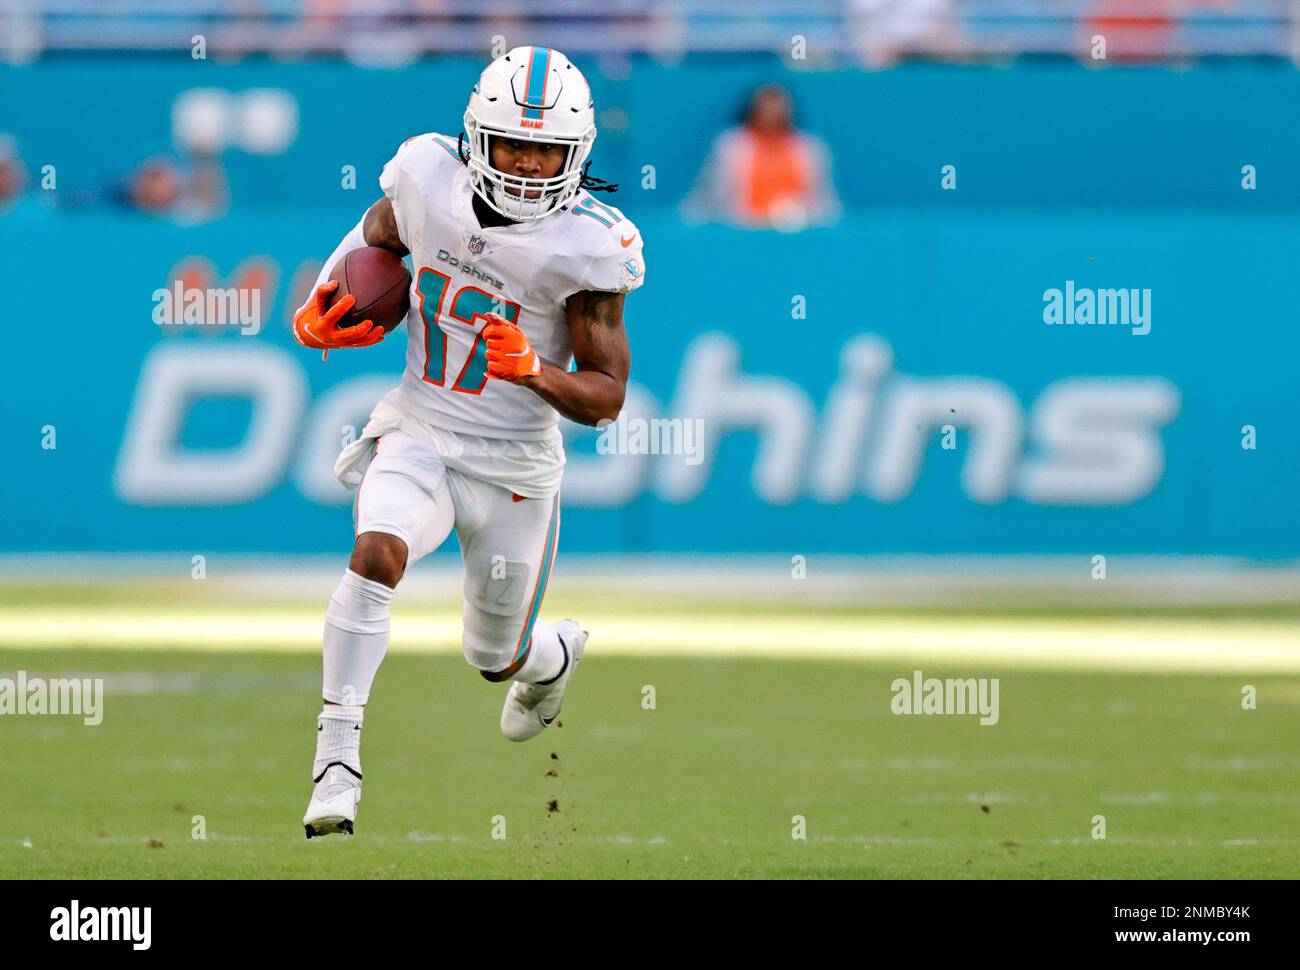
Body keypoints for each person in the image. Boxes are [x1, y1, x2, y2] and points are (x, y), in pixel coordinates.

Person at [294, 46, 645, 838]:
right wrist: (321, 295)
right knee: (376, 551)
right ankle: (337, 762)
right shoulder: (426, 176)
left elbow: (608, 397)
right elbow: (374, 236)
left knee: (496, 657)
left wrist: (536, 374)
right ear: (474, 139)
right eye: (511, 146)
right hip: (420, 427)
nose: (525, 167)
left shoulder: (591, 246)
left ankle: (551, 658)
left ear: (576, 156)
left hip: (515, 466)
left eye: (544, 151)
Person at [681, 83, 840, 230]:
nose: (771, 113)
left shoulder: (811, 148)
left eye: (778, 107)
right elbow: (712, 200)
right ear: (753, 109)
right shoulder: (729, 146)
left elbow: (825, 202)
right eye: (766, 107)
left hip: (799, 234)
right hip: (741, 232)